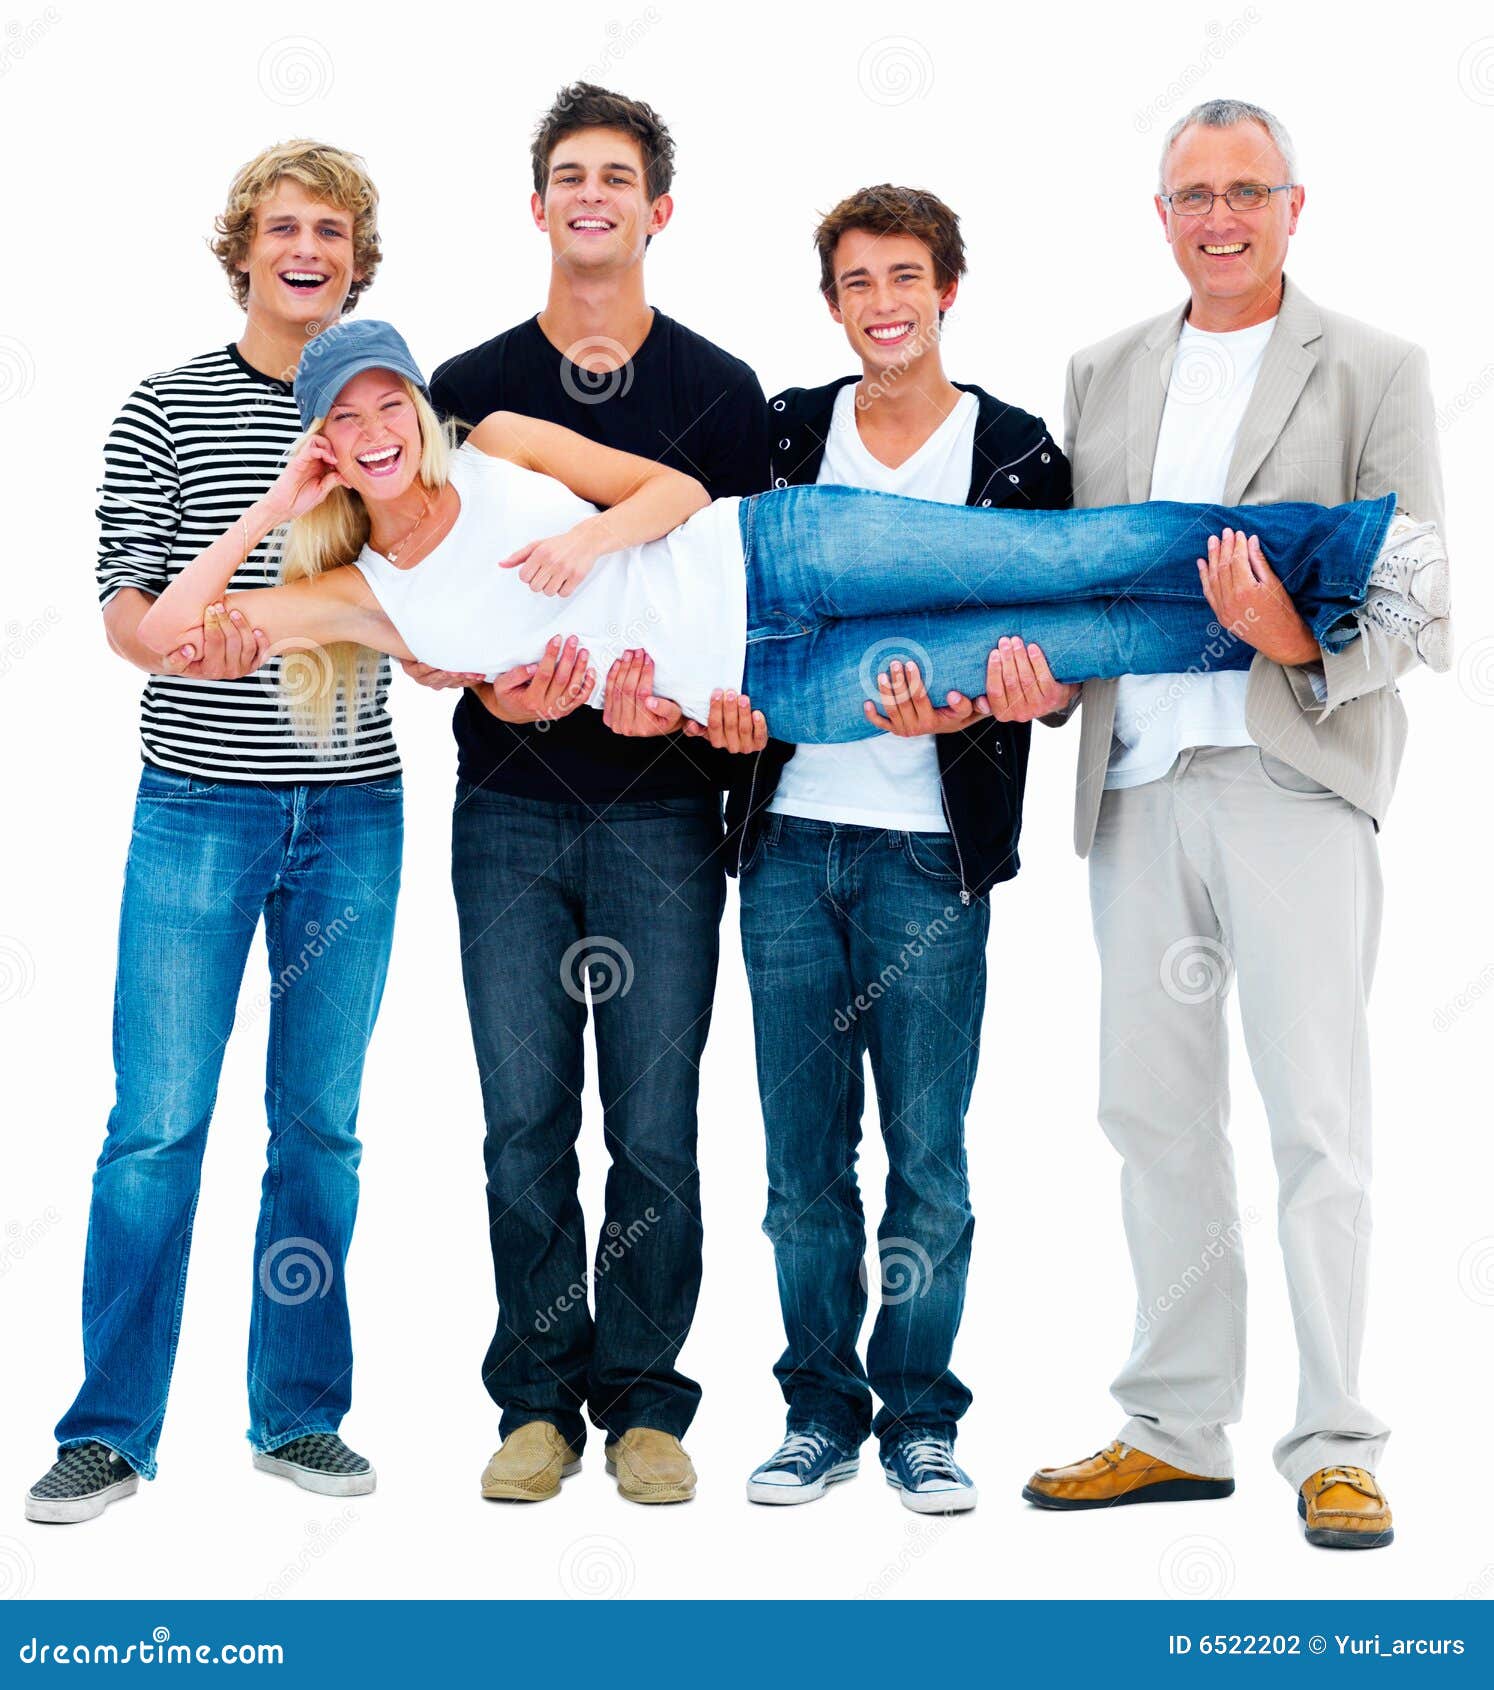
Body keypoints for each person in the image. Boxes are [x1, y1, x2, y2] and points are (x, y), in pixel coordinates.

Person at [1019, 98, 1448, 1551]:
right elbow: (1085, 586)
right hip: (1134, 789)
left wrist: (1291, 634)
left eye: (1244, 191)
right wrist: (1030, 677)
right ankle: (1171, 1427)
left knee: (1313, 1122)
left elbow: (1421, 599)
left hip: (1291, 783)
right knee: (1150, 1118)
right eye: (1192, 193)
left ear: (1291, 206)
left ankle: (1335, 1439)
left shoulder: (1373, 368)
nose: (1219, 215)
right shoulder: (1100, 372)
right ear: (1159, 214)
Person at [132, 321, 1441, 767]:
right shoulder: (364, 594)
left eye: (382, 406)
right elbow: (171, 639)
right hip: (761, 691)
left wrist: (586, 552)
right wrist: (266, 501)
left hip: (782, 554)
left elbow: (670, 491)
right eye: (338, 425)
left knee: (1064, 554)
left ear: (413, 407)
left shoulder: (504, 445)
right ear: (321, 450)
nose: (369, 433)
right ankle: (1315, 626)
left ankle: (1362, 556)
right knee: (1084, 634)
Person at [27, 142, 402, 1526]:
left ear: (360, 260)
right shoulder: (166, 408)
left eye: (334, 231)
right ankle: (111, 1431)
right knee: (156, 1125)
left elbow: (423, 623)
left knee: (320, 1126)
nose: (308, 249)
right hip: (198, 811)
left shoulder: (396, 418)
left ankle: (299, 1415)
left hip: (354, 811)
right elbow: (139, 629)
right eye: (284, 227)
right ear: (241, 247)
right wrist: (273, 517)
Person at [423, 85, 770, 1506]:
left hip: (662, 814)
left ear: (657, 210)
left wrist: (699, 717)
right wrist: (486, 688)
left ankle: (642, 1403)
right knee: (519, 1121)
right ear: (537, 206)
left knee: (654, 1124)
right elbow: (422, 595)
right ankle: (534, 1401)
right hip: (505, 802)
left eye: (616, 176)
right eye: (568, 174)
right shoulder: (458, 387)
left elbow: (742, 610)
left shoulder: (723, 392)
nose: (590, 196)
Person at [733, 185, 1070, 1517]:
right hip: (787, 843)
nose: (883, 302)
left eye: (905, 277)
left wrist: (990, 697)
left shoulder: (1016, 454)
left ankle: (919, 1417)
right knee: (800, 1161)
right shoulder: (781, 434)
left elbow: (1057, 661)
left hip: (930, 858)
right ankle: (817, 1407)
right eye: (858, 281)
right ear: (832, 304)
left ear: (948, 290)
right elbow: (733, 610)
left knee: (927, 1154)